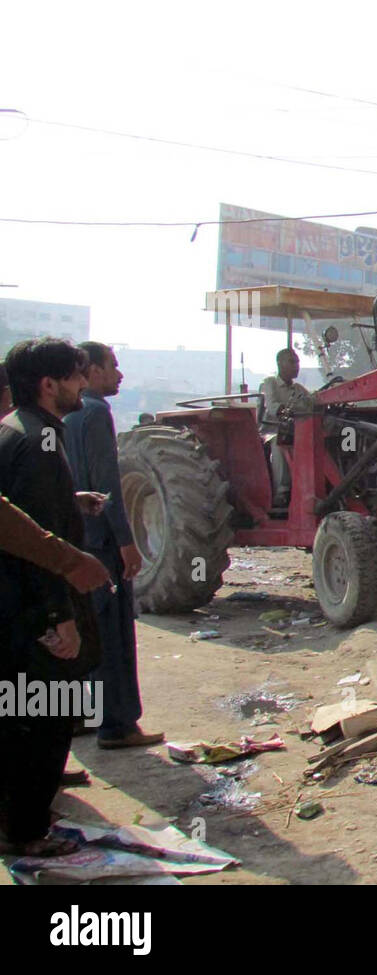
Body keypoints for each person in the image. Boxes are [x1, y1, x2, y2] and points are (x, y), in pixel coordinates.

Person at [0, 338, 102, 856]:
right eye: (76, 375)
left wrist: (72, 501)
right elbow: (33, 540)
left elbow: (24, 512)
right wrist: (61, 617)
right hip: (36, 610)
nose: (83, 384)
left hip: (16, 609)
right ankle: (26, 833)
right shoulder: (39, 440)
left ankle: (18, 817)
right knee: (47, 718)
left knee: (19, 716)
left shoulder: (13, 431)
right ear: (49, 384)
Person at [63, 342, 163, 751]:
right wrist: (126, 542)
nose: (119, 375)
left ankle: (81, 716)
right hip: (102, 544)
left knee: (84, 635)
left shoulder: (62, 416)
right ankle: (117, 725)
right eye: (113, 367)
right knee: (113, 636)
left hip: (75, 543)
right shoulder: (96, 413)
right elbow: (107, 489)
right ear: (91, 371)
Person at [258, 348, 314, 508]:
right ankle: (282, 492)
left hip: (296, 430)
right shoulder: (269, 383)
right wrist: (285, 410)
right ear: (279, 363)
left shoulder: (298, 389)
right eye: (292, 362)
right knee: (279, 442)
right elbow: (271, 406)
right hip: (271, 430)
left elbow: (312, 400)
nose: (296, 366)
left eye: (297, 362)